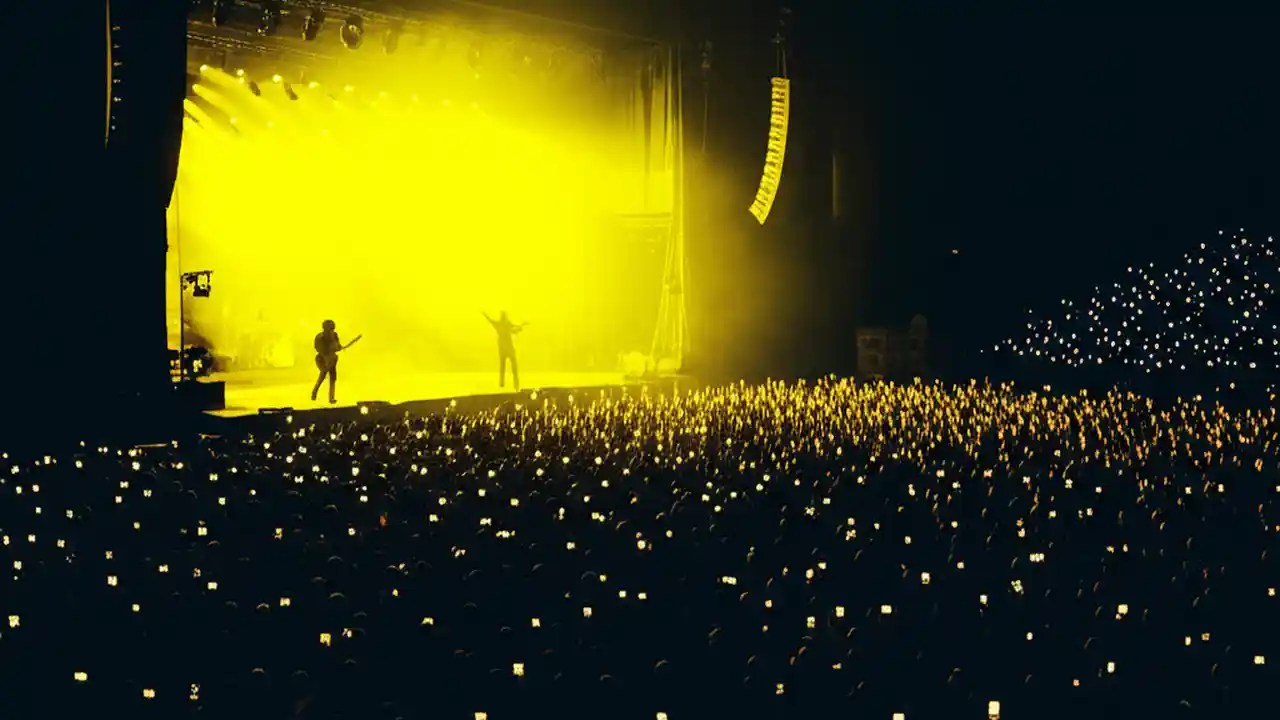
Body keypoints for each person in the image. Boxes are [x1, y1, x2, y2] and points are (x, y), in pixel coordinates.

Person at [311, 320, 360, 404]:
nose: (330, 331)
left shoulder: (334, 335)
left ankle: (331, 398)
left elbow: (337, 345)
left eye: (331, 329)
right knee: (322, 375)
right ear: (325, 329)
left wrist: (338, 347)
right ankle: (314, 392)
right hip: (321, 359)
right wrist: (326, 355)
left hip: (332, 359)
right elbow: (318, 348)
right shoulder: (319, 337)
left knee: (333, 378)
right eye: (329, 329)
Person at [483, 311, 526, 391]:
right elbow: (514, 329)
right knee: (511, 367)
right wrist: (521, 326)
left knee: (504, 367)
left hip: (505, 349)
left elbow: (514, 329)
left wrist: (484, 314)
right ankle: (512, 384)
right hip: (507, 348)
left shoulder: (501, 324)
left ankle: (505, 384)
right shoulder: (506, 324)